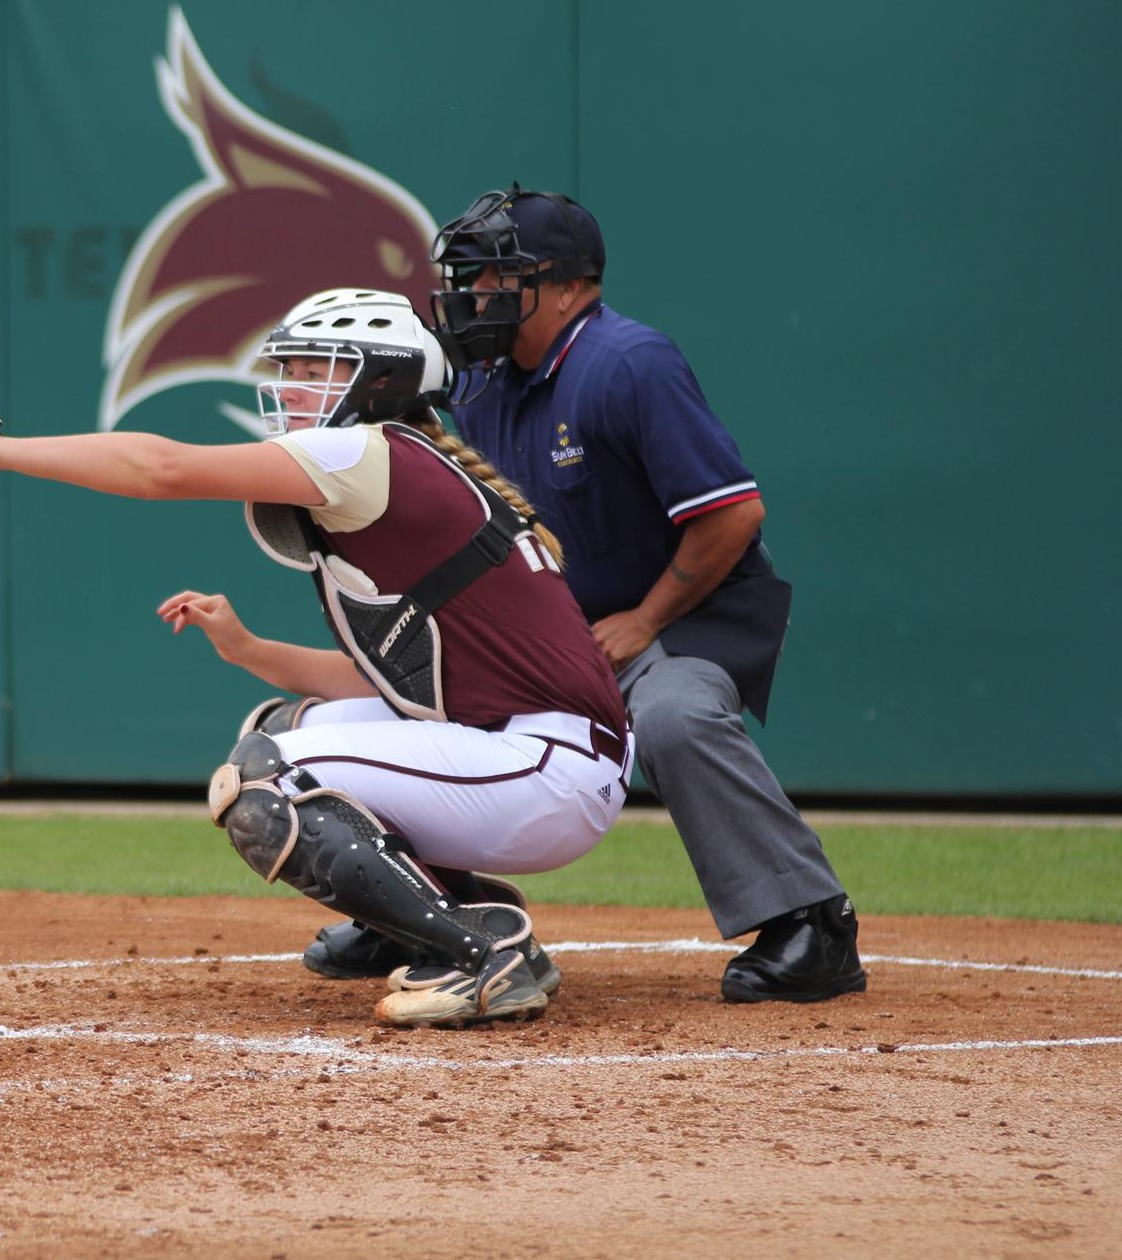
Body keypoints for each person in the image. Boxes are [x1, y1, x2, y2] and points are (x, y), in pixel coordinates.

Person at [0, 288, 632, 1027]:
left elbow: (161, 469)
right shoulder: (402, 462)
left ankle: (483, 958)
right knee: (283, 725)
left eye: (316, 368)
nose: (290, 386)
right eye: (292, 367)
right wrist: (248, 649)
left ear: (382, 382)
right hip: (537, 757)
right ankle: (448, 920)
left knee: (268, 783)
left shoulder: (368, 447)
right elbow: (403, 684)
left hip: (547, 766)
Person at [303, 187, 867, 1005]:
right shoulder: (488, 383)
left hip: (688, 617)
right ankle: (421, 909)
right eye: (469, 276)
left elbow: (733, 515)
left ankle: (811, 924)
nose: (475, 296)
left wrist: (643, 622)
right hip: (566, 630)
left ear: (568, 285)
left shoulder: (627, 363)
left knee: (673, 718)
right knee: (419, 708)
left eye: (496, 277)